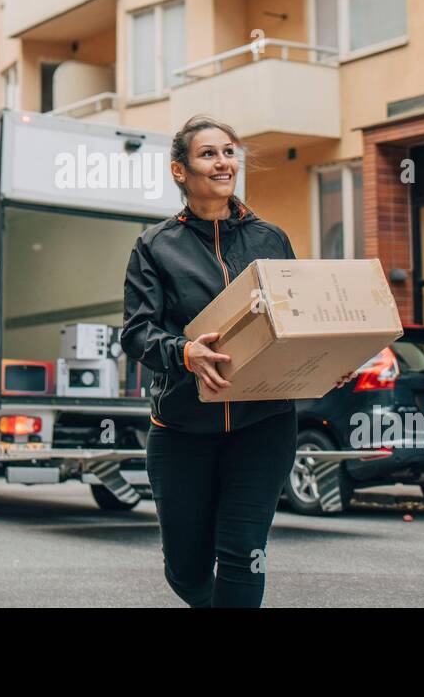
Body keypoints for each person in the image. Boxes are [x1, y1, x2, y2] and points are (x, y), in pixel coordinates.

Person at [122, 115, 299, 609]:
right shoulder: (155, 246)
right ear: (180, 171)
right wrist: (183, 351)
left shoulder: (271, 239)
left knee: (243, 553)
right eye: (208, 154)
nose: (223, 162)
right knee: (186, 567)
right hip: (183, 427)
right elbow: (137, 332)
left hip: (263, 422)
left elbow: (295, 315)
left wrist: (325, 356)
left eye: (228, 151)